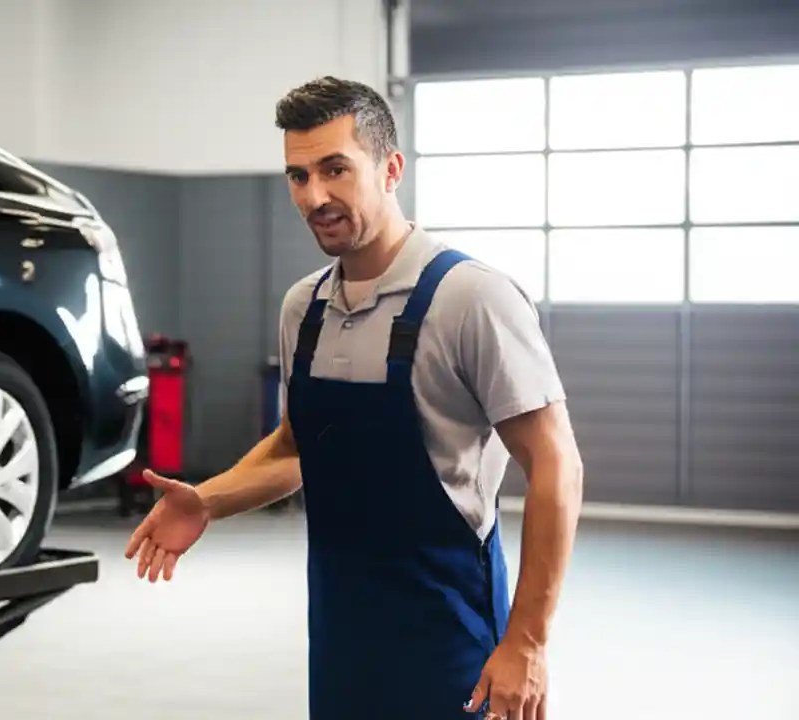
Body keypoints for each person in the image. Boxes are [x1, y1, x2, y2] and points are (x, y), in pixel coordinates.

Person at [125, 76, 584, 720]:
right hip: (342, 641)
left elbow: (557, 464)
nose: (315, 196)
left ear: (391, 168)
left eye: (335, 169)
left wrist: (528, 642)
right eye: (298, 176)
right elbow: (297, 447)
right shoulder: (303, 308)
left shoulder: (472, 300)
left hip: (454, 643)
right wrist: (208, 501)